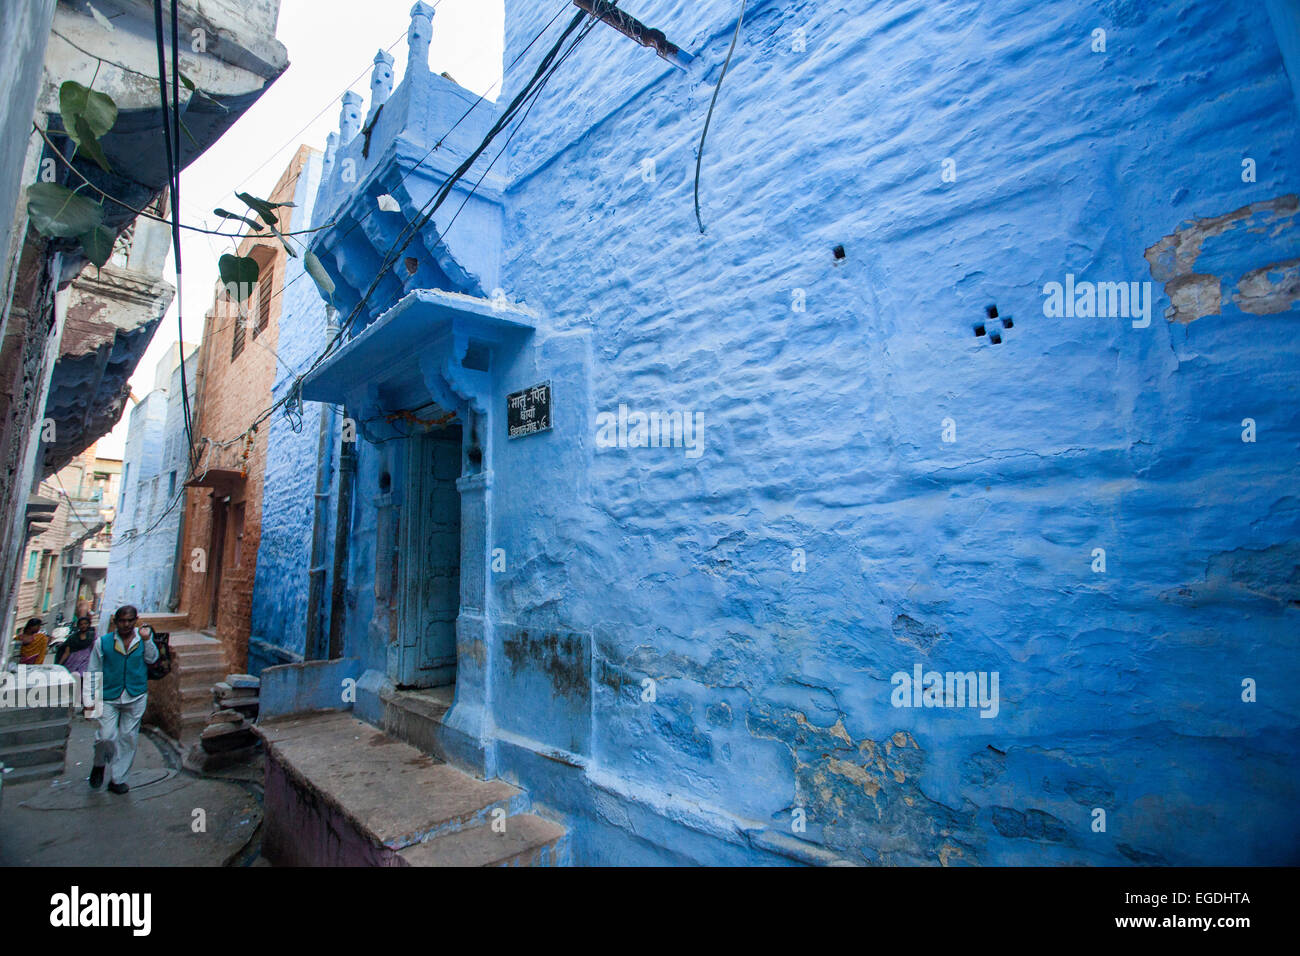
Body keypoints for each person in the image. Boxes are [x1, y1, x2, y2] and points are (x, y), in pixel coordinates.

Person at [86, 606, 157, 794]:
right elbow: (93, 671)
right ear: (115, 622)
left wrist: (148, 640)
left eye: (130, 620)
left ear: (135, 620)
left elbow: (152, 659)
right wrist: (89, 703)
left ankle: (118, 779)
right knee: (106, 736)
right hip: (109, 695)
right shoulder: (103, 642)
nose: (126, 624)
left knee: (128, 737)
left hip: (136, 694)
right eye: (122, 621)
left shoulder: (143, 640)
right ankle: (99, 764)